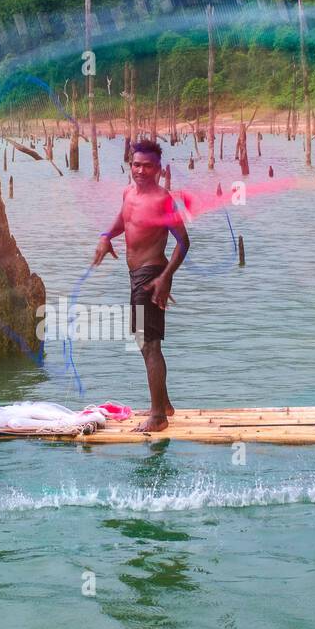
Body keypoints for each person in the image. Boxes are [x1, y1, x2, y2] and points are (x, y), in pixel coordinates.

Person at [92, 139, 190, 432]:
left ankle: (158, 416)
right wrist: (105, 236)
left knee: (149, 344)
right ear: (130, 166)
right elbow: (125, 219)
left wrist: (166, 277)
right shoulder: (128, 193)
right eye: (136, 165)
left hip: (151, 276)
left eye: (148, 166)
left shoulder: (164, 201)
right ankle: (165, 405)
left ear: (159, 170)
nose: (141, 171)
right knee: (143, 341)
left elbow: (184, 242)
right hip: (135, 276)